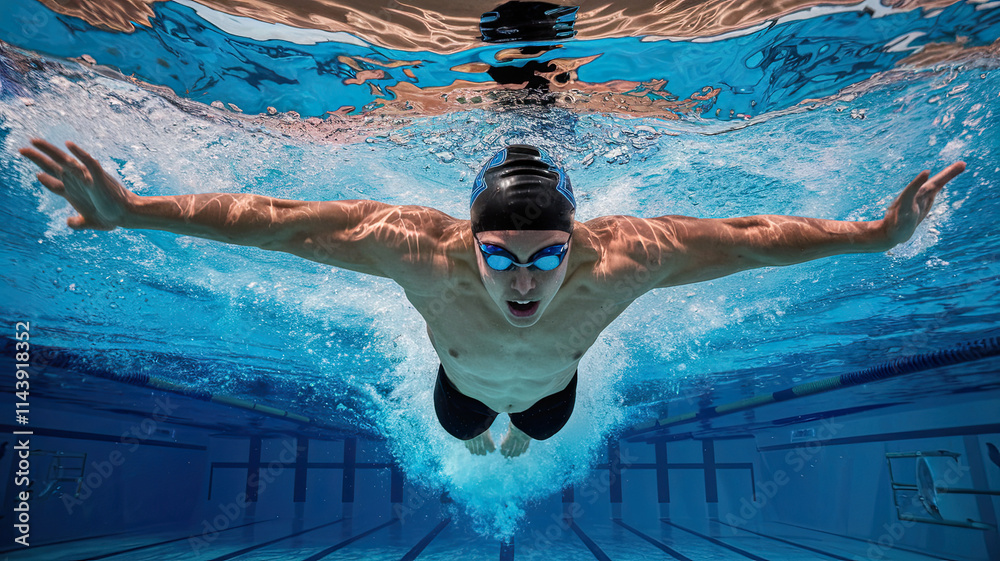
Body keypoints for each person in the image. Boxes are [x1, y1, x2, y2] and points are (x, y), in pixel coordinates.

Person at [20, 139, 966, 457]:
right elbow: (280, 223)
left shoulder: (628, 259)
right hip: (460, 384)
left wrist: (876, 235)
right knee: (473, 430)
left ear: (576, 242)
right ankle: (487, 437)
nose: (522, 279)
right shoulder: (421, 254)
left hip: (553, 395)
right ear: (466, 241)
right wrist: (136, 211)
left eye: (545, 255)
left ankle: (510, 438)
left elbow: (757, 241)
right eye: (499, 256)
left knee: (528, 432)